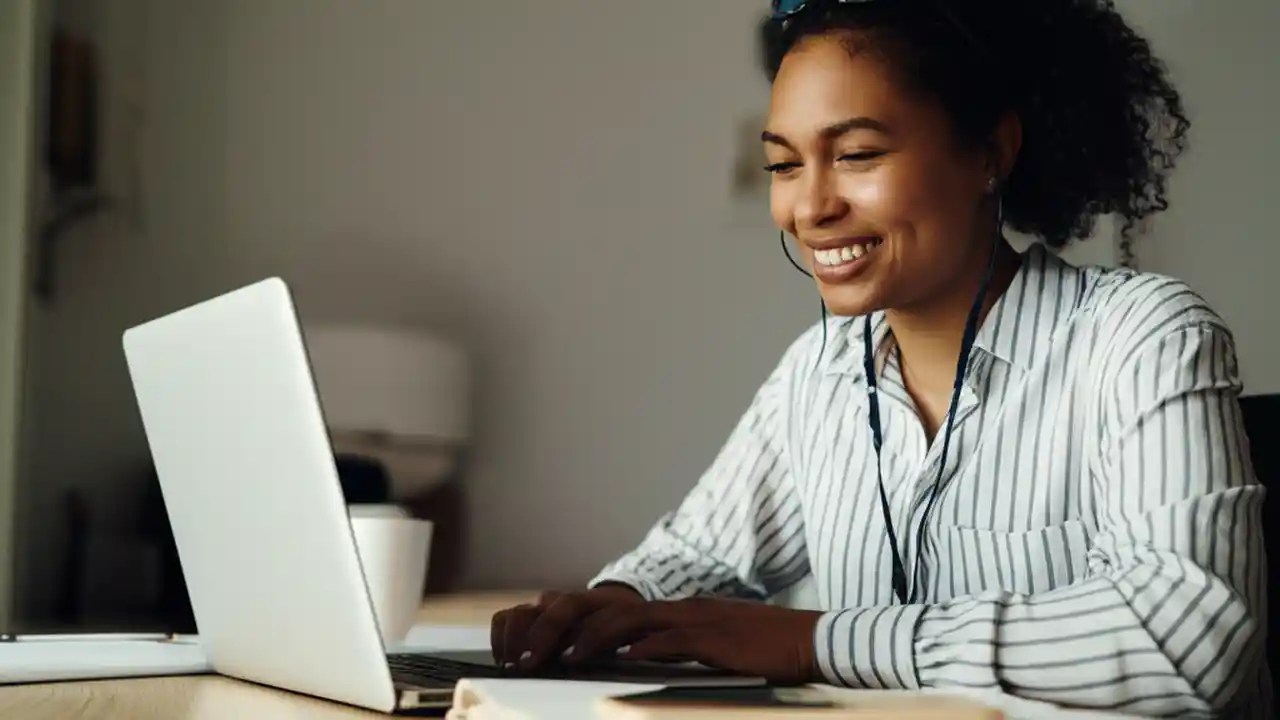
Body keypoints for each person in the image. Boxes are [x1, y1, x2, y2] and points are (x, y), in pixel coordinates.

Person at [490, 0, 1270, 715]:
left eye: (857, 154)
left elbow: (1185, 642)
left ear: (991, 152)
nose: (811, 207)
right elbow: (693, 559)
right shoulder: (819, 372)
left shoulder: (1143, 337)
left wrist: (811, 641)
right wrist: (608, 609)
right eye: (785, 165)